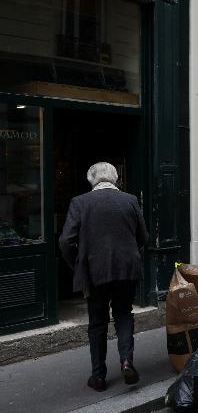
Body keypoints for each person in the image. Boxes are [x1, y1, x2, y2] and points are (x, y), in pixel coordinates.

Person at [59, 163, 148, 392]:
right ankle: (126, 361)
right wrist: (129, 253)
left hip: (94, 270)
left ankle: (98, 376)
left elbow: (65, 241)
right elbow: (143, 236)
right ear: (115, 178)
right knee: (124, 315)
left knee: (97, 323)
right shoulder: (130, 200)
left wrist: (77, 264)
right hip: (126, 269)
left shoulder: (80, 203)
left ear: (92, 179)